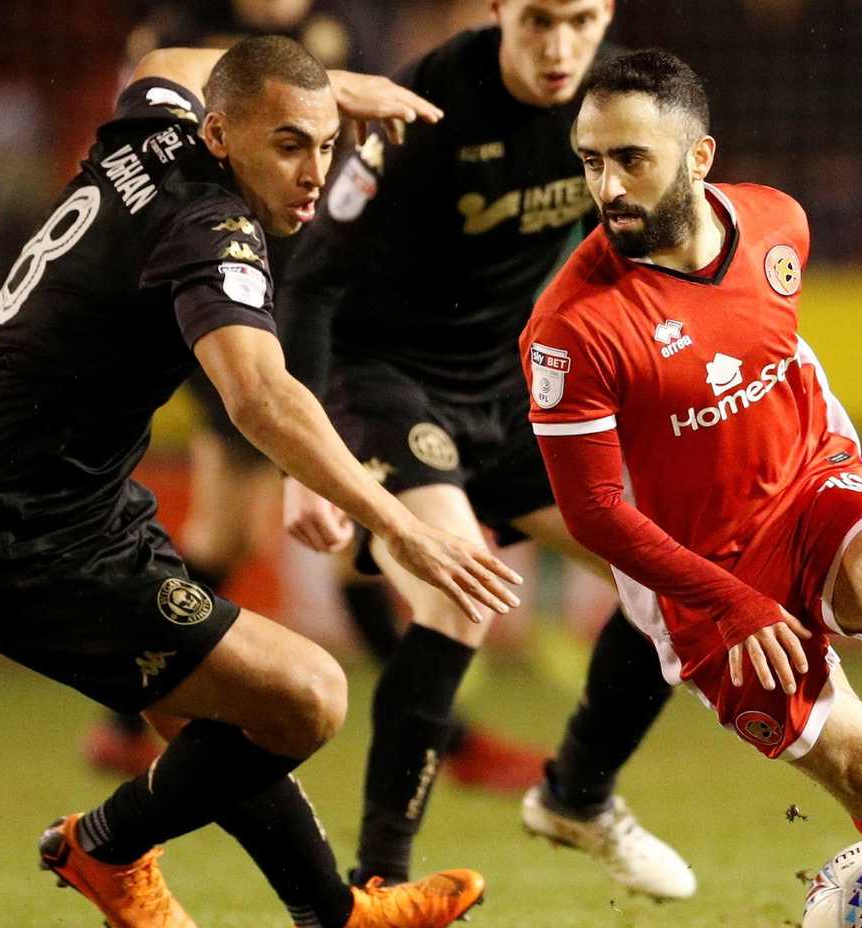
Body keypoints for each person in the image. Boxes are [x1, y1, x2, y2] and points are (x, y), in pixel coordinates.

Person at [0, 37, 523, 928]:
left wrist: (331, 89)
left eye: (326, 145)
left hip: (66, 511)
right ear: (219, 135)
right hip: (31, 547)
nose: (314, 174)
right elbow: (261, 398)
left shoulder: (152, 132)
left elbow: (169, 57)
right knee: (310, 697)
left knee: (228, 722)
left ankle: (332, 914)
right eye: (287, 145)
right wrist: (399, 524)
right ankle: (103, 846)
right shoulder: (211, 227)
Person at [518, 49, 862, 928]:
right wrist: (731, 602)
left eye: (631, 159)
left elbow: (773, 350)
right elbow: (594, 513)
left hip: (809, 490)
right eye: (591, 161)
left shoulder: (778, 224)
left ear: (698, 157)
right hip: (703, 582)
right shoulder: (571, 328)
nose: (607, 187)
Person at [276, 0, 691, 900]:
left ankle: (576, 795)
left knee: (670, 580)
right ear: (500, 9)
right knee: (461, 589)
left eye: (580, 21)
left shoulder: (619, 105)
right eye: (538, 20)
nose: (559, 46)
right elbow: (308, 284)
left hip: (503, 386)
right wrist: (298, 459)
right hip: (381, 378)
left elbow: (656, 249)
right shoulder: (426, 105)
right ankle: (379, 888)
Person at [84, 0, 545, 793]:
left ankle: (447, 739)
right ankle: (130, 715)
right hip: (219, 297)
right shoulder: (182, 23)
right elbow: (154, 110)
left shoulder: (343, 23)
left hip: (317, 307)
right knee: (234, 534)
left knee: (339, 556)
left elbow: (361, 170)